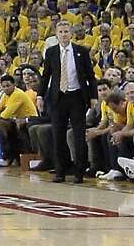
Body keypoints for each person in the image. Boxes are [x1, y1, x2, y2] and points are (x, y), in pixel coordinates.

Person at [38, 18, 99, 183]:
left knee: (79, 135)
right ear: (56, 35)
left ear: (71, 34)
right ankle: (60, 171)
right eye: (61, 32)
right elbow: (46, 76)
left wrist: (93, 96)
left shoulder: (82, 51)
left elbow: (91, 77)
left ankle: (79, 171)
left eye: (66, 32)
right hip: (58, 98)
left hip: (77, 97)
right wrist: (39, 95)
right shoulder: (51, 52)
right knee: (58, 135)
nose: (64, 35)